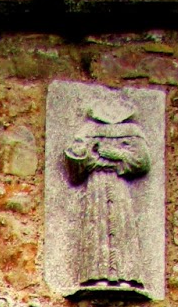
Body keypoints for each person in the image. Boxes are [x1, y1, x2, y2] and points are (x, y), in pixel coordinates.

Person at [64, 86, 150, 293]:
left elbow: (142, 162)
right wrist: (89, 158)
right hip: (97, 185)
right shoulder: (88, 131)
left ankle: (127, 276)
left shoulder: (132, 131)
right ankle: (96, 275)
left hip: (119, 186)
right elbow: (77, 159)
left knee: (122, 224)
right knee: (97, 223)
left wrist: (115, 154)